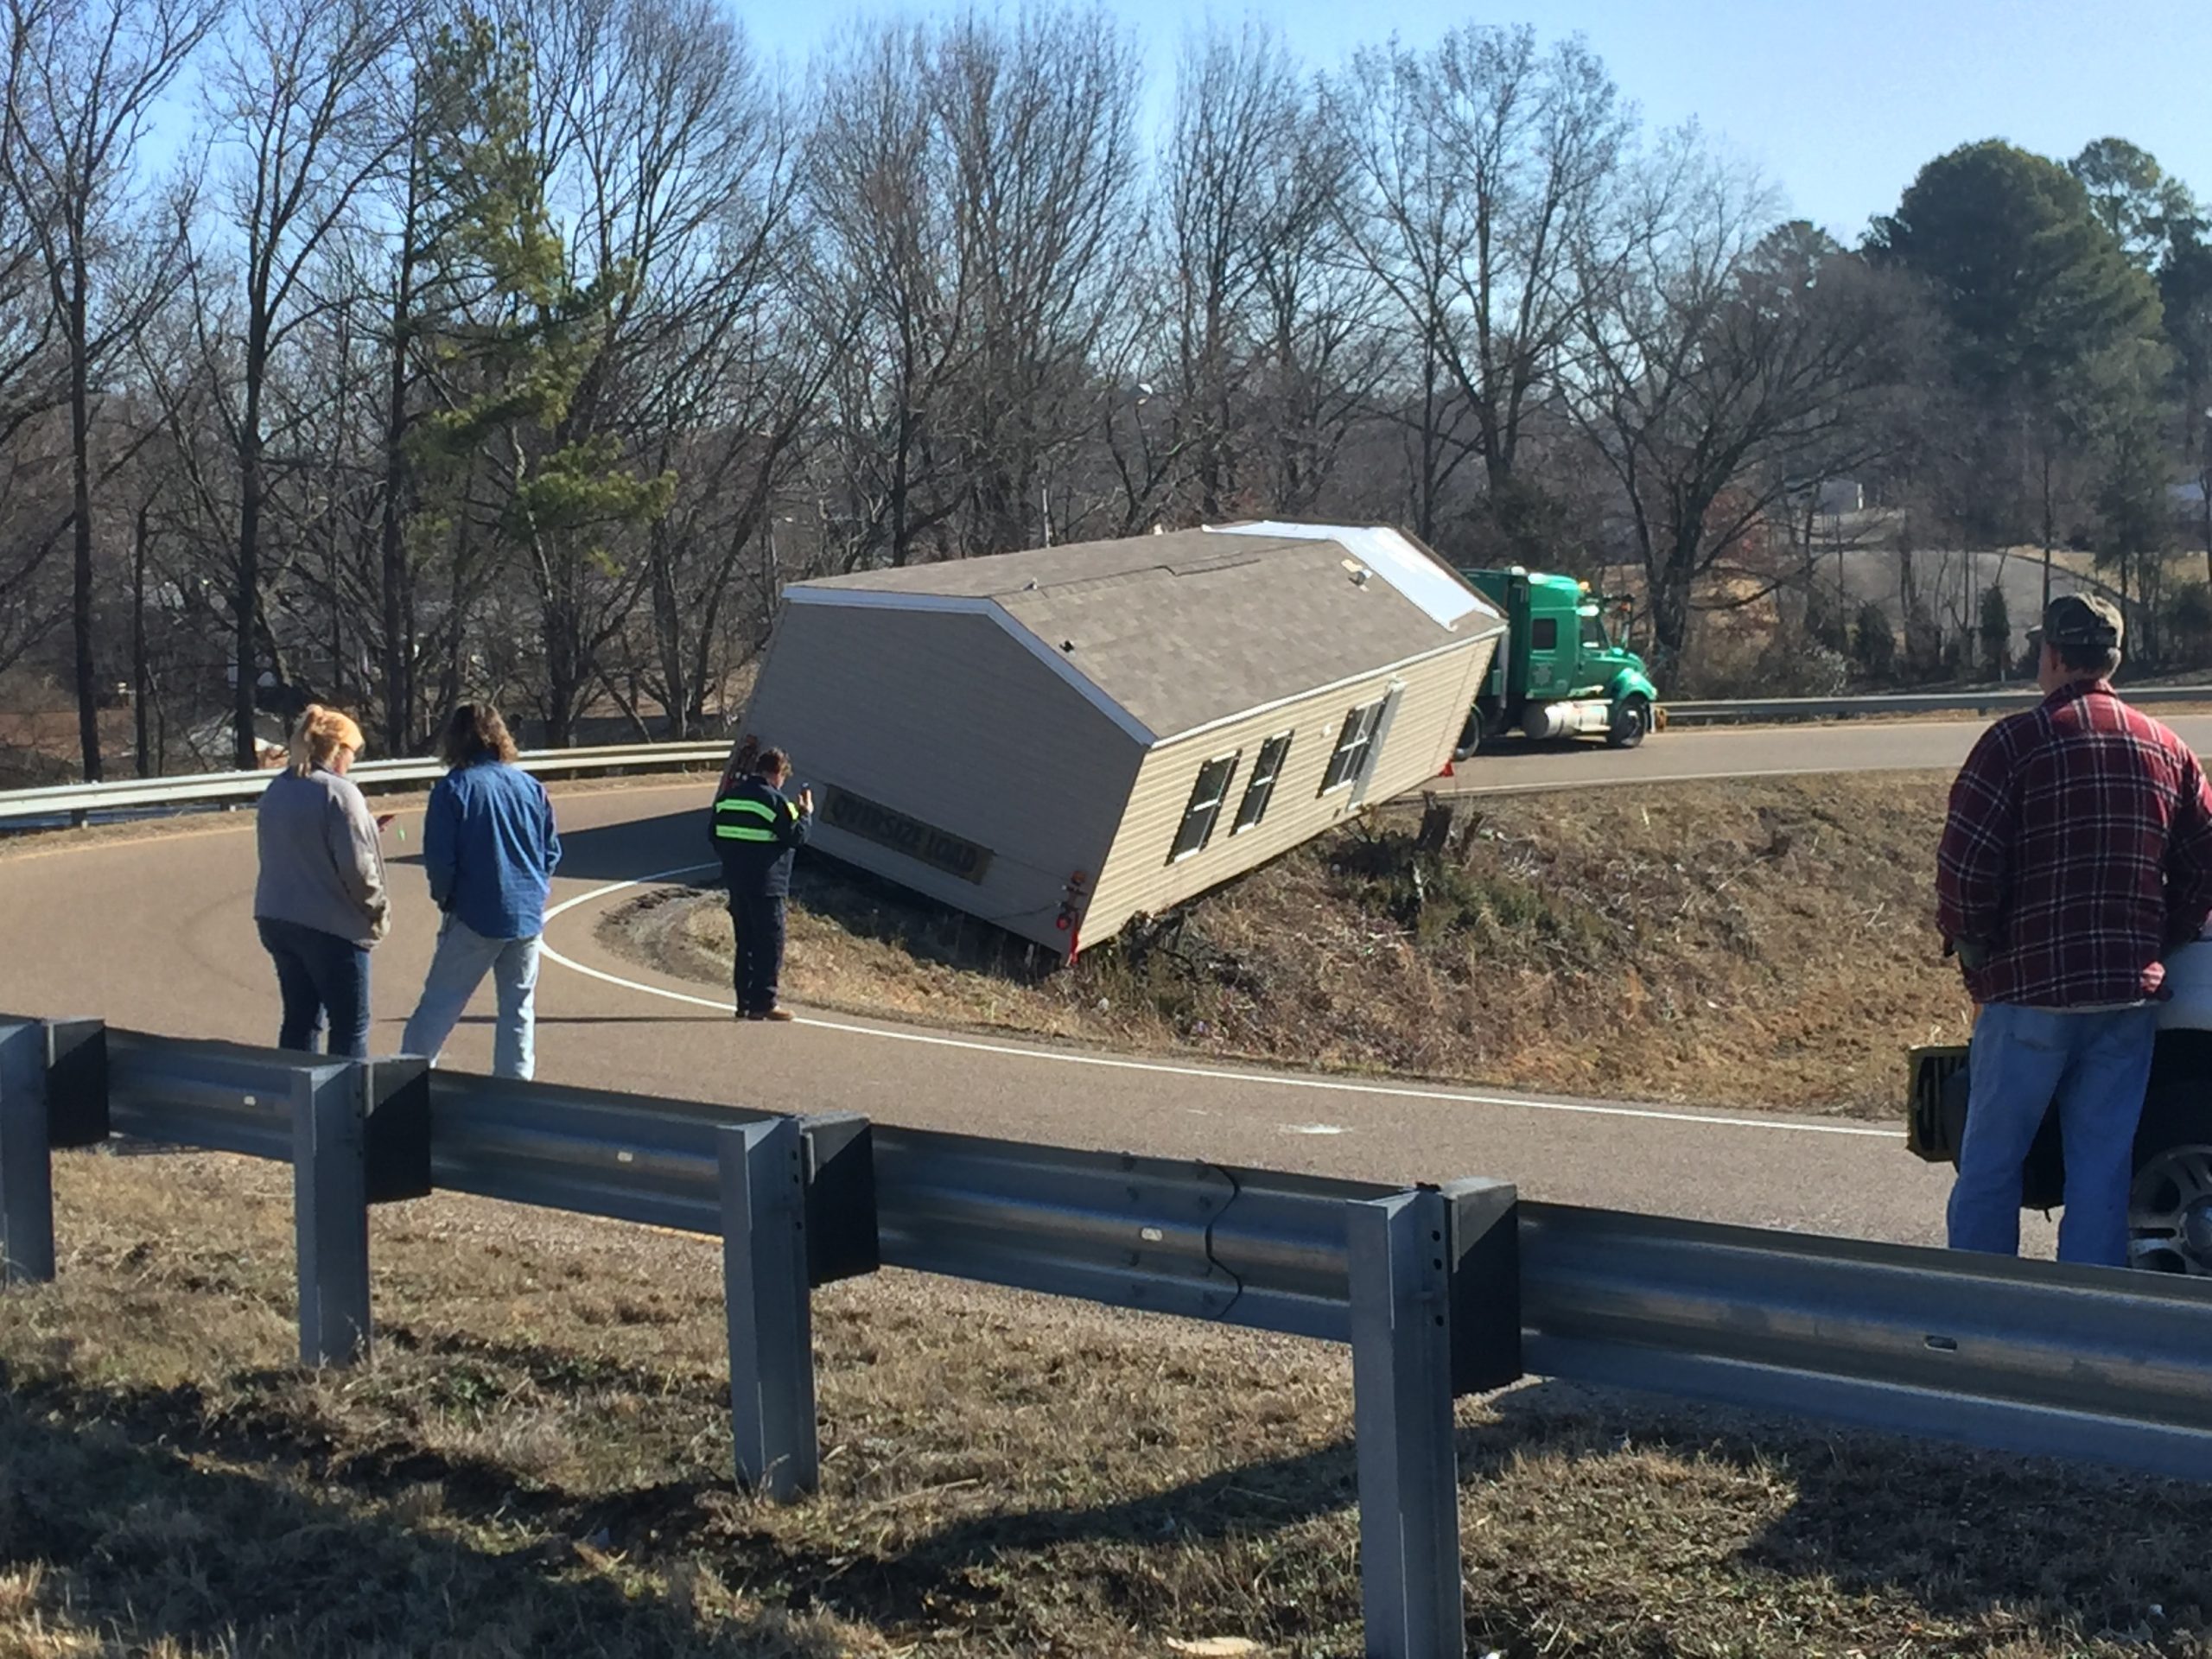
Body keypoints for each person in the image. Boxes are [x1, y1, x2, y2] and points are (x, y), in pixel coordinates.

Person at [1936, 593, 2212, 1267]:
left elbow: (1964, 867)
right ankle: (2089, 1324)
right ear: (2113, 660)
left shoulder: (2013, 744)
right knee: (2103, 1169)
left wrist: (1976, 951)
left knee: (1993, 1164)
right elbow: (2202, 870)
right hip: (2124, 995)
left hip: (2028, 990)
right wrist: (2161, 941)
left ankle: (1979, 1307)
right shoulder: (2169, 749)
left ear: (2053, 656)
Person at [400, 705, 562, 1078]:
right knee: (518, 1009)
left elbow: (441, 861)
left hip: (475, 914)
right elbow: (551, 851)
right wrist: (534, 889)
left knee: (440, 1004)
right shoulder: (529, 786)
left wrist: (447, 898)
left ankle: (409, 1082)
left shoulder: (453, 789)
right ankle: (514, 1090)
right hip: (526, 913)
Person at [253, 705, 390, 1057]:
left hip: (277, 917)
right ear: (339, 750)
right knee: (350, 1025)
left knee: (300, 1019)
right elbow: (358, 870)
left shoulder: (278, 789)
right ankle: (348, 1107)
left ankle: (295, 1097)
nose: (353, 761)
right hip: (330, 926)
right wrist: (376, 910)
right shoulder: (340, 794)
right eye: (353, 753)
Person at [711, 746, 812, 1020]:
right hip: (767, 884)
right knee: (769, 943)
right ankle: (765, 1002)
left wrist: (735, 861)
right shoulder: (777, 802)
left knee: (746, 943)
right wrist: (805, 813)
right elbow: (796, 837)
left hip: (736, 881)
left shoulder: (727, 799)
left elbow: (714, 835)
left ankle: (743, 1003)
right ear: (778, 773)